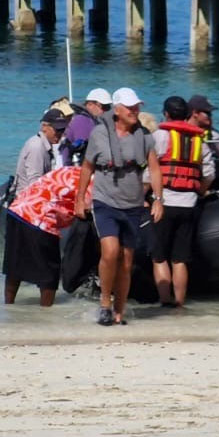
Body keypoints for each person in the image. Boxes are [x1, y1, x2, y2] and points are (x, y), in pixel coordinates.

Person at [75, 87, 164, 326]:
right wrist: (80, 197)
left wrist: (158, 199)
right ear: (117, 109)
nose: (136, 111)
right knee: (110, 251)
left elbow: (154, 169)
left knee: (126, 261)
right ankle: (105, 302)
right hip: (105, 200)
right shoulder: (99, 135)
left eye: (137, 107)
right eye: (131, 107)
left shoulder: (144, 136)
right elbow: (86, 167)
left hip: (133, 204)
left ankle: (119, 312)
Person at [149, 96, 214, 308]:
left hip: (165, 202)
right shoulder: (198, 140)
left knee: (159, 257)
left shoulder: (159, 136)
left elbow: (150, 171)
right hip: (189, 204)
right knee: (180, 259)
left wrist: (144, 196)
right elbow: (209, 173)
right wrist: (201, 191)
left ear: (166, 114)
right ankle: (179, 303)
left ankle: (165, 301)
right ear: (187, 114)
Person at [3, 166, 90, 306]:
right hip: (40, 217)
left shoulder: (70, 169)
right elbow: (86, 210)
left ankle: (8, 305)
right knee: (49, 275)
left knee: (14, 268)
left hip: (17, 209)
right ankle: (46, 313)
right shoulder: (93, 182)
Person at [14, 108, 68, 193]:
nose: (60, 134)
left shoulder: (46, 145)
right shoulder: (37, 148)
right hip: (27, 200)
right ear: (44, 127)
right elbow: (34, 183)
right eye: (57, 130)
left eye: (63, 130)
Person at [64, 88, 112, 165]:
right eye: (103, 107)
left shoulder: (92, 120)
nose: (105, 111)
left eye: (108, 108)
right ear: (90, 104)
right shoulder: (82, 121)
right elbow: (85, 153)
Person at [188, 94, 219, 158]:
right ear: (195, 113)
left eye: (210, 113)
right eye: (207, 113)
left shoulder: (213, 134)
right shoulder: (180, 131)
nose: (211, 116)